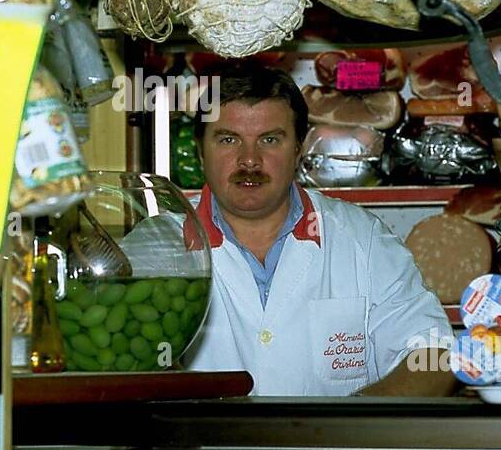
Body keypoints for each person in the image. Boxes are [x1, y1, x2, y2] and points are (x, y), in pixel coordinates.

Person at [182, 64, 454, 395]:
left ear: (298, 148)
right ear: (200, 150)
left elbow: (433, 357)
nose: (249, 160)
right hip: (204, 448)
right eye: (228, 139)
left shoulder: (362, 239)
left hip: (335, 446)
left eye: (270, 139)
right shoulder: (159, 246)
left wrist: (349, 430)